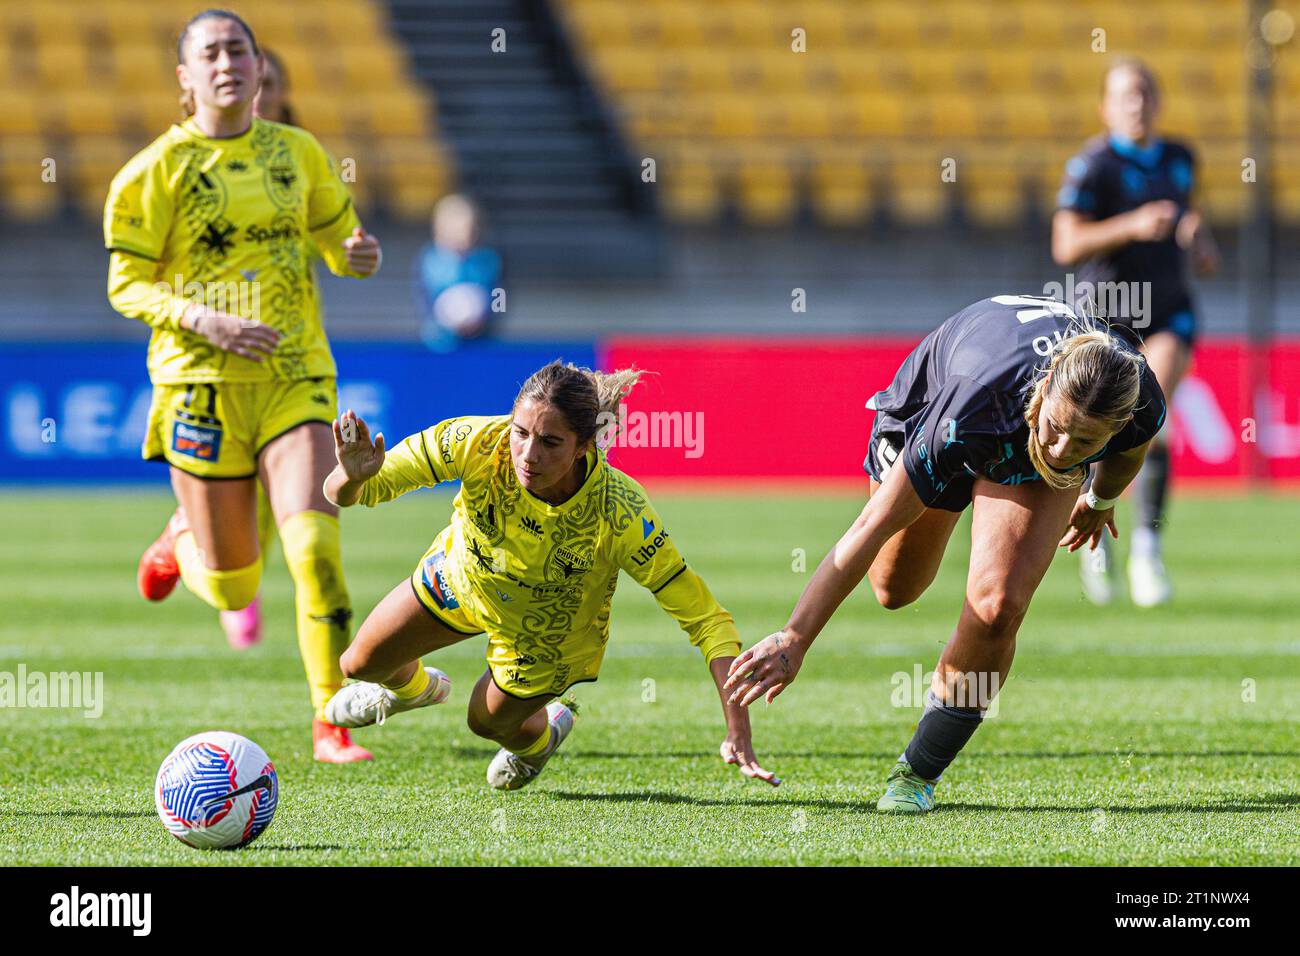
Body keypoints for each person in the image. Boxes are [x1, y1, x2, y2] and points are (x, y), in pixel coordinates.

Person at [723, 295, 1166, 813]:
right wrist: (795, 636)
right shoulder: (970, 407)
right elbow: (872, 525)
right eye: (1056, 427)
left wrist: (1099, 499)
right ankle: (991, 464)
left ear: (1115, 426)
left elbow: (1129, 452)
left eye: (1085, 441)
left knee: (997, 607)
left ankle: (915, 776)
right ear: (1045, 392)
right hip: (942, 407)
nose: (1063, 450)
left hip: (1008, 427)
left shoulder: (1139, 404)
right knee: (895, 590)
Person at [106, 9, 383, 762]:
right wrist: (206, 320)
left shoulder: (299, 153)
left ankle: (331, 720)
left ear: (261, 69)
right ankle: (181, 543)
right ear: (185, 78)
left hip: (296, 375)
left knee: (316, 550)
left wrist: (355, 255)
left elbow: (337, 240)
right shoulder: (152, 172)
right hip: (200, 383)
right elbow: (125, 285)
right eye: (211, 53)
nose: (227, 62)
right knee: (233, 587)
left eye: (240, 49)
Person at [319, 361, 778, 790]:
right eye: (520, 433)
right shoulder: (476, 441)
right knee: (358, 666)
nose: (527, 454)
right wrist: (352, 476)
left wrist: (738, 726)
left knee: (486, 724)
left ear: (584, 445)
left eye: (550, 443)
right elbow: (351, 492)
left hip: (548, 637)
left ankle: (541, 739)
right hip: (463, 579)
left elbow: (706, 621)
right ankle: (412, 690)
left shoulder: (620, 511)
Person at [1052, 56, 1220, 607]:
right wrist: (1131, 225)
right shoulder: (1092, 166)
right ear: (1105, 106)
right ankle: (1096, 535)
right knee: (1100, 425)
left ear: (1158, 100)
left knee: (1151, 413)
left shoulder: (1179, 158)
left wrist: (1197, 238)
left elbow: (1189, 221)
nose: (1137, 103)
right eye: (1126, 94)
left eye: (1145, 92)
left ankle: (1147, 546)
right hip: (1107, 314)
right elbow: (1066, 246)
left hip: (1169, 311)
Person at [216, 45, 300, 650]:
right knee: (236, 477)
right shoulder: (206, 155)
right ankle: (230, 577)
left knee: (286, 483)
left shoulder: (301, 156)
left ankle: (244, 590)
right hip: (221, 340)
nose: (259, 97)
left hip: (292, 344)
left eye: (268, 88)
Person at [414, 194, 502, 352]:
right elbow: (422, 301)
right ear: (438, 231)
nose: (461, 238)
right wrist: (437, 323)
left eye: (467, 231)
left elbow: (500, 298)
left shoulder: (490, 261)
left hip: (482, 341)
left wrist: (486, 319)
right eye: (454, 231)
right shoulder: (428, 262)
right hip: (439, 345)